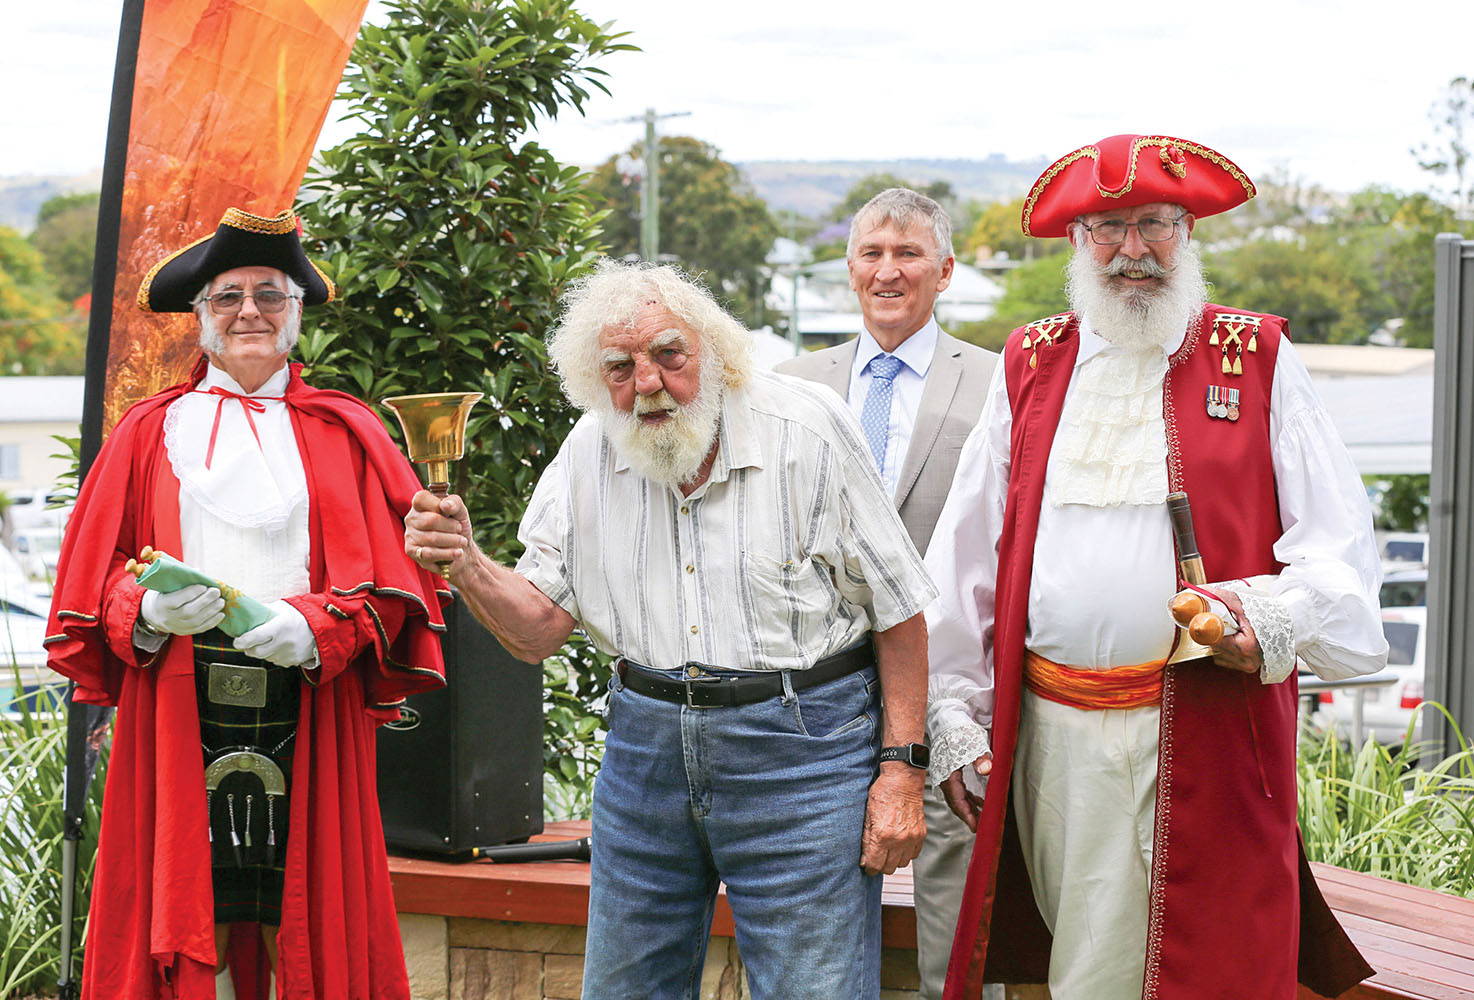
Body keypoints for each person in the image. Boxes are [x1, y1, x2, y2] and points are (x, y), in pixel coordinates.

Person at [923, 135, 1388, 1000]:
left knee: (1218, 962)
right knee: (1085, 963)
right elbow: (965, 558)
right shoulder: (1028, 363)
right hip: (1052, 738)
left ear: (1187, 234)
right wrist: (955, 711)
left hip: (1212, 731)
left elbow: (1336, 553)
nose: (1132, 250)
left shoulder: (1258, 357)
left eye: (1154, 226)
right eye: (1107, 228)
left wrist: (1264, 617)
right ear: (1076, 244)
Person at [404, 259, 936, 999]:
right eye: (619, 367)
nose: (647, 382)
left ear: (713, 353)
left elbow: (900, 611)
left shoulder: (805, 428)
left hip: (804, 757)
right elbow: (534, 632)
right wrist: (463, 561)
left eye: (668, 355)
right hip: (644, 754)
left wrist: (901, 772)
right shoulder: (588, 452)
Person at [46, 207, 448, 1000]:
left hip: (309, 700)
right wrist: (146, 613)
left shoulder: (349, 430)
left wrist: (317, 626)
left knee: (300, 905)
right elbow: (89, 585)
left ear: (296, 314)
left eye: (271, 294)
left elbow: (399, 587)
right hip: (177, 702)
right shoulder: (146, 430)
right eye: (229, 297)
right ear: (200, 320)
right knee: (190, 903)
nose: (250, 312)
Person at [777, 187, 1001, 1000]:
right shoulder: (792, 386)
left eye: (907, 254)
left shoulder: (1002, 383)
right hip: (817, 694)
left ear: (944, 270)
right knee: (816, 918)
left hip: (946, 689)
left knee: (955, 913)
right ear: (850, 269)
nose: (888, 270)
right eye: (872, 253)